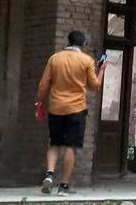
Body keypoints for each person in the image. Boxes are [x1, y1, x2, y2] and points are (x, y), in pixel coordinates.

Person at [37, 30, 106, 195]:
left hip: (56, 107)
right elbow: (95, 86)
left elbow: (43, 85)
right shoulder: (86, 60)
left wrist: (39, 102)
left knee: (54, 143)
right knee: (70, 146)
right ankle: (64, 186)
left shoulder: (55, 59)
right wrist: (102, 69)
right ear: (83, 45)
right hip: (76, 109)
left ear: (68, 41)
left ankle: (49, 174)